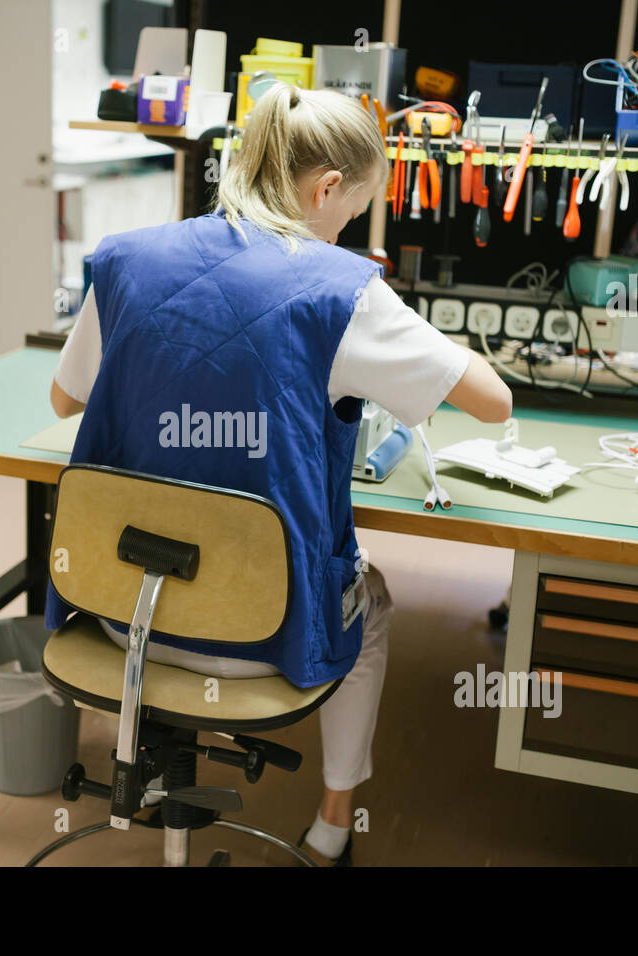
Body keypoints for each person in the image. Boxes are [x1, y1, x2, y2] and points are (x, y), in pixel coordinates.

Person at [46, 82, 511, 865]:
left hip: (118, 615)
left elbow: (64, 398)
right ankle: (333, 828)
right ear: (326, 188)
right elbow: (494, 403)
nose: (347, 229)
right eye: (352, 210)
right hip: (260, 640)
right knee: (379, 603)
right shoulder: (342, 291)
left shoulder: (126, 259)